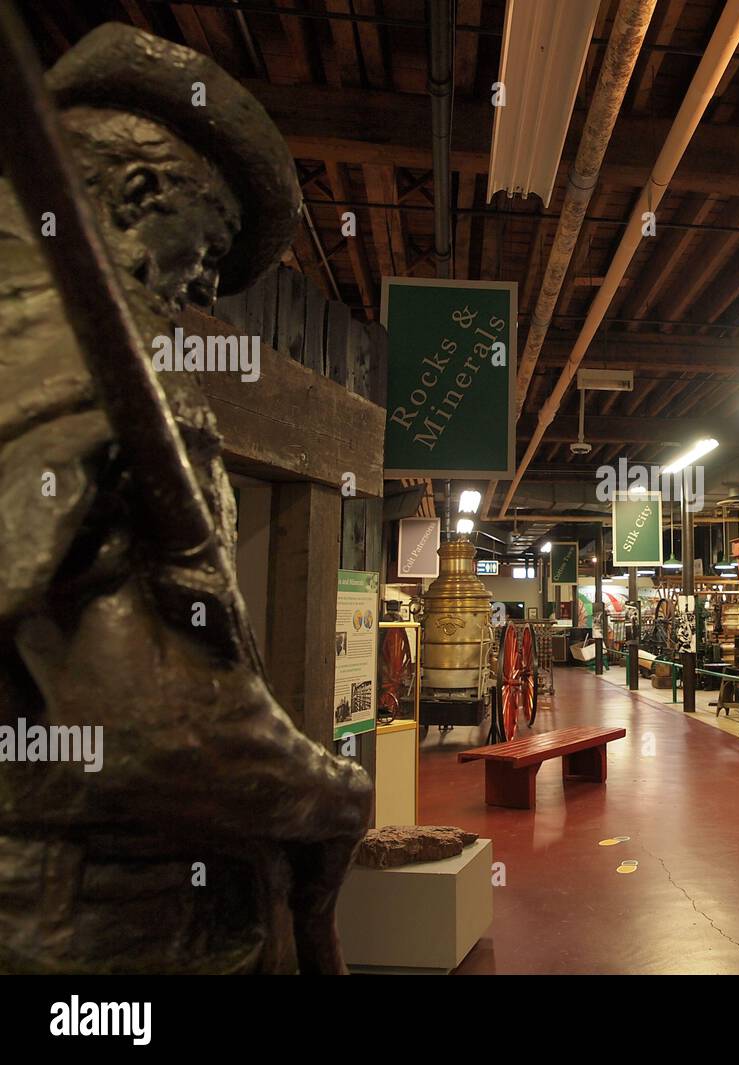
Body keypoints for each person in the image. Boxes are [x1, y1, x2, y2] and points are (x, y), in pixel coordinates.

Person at [0, 23, 370, 973]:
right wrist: (331, 793)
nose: (204, 286)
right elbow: (147, 730)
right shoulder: (97, 378)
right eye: (204, 247)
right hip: (76, 916)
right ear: (133, 194)